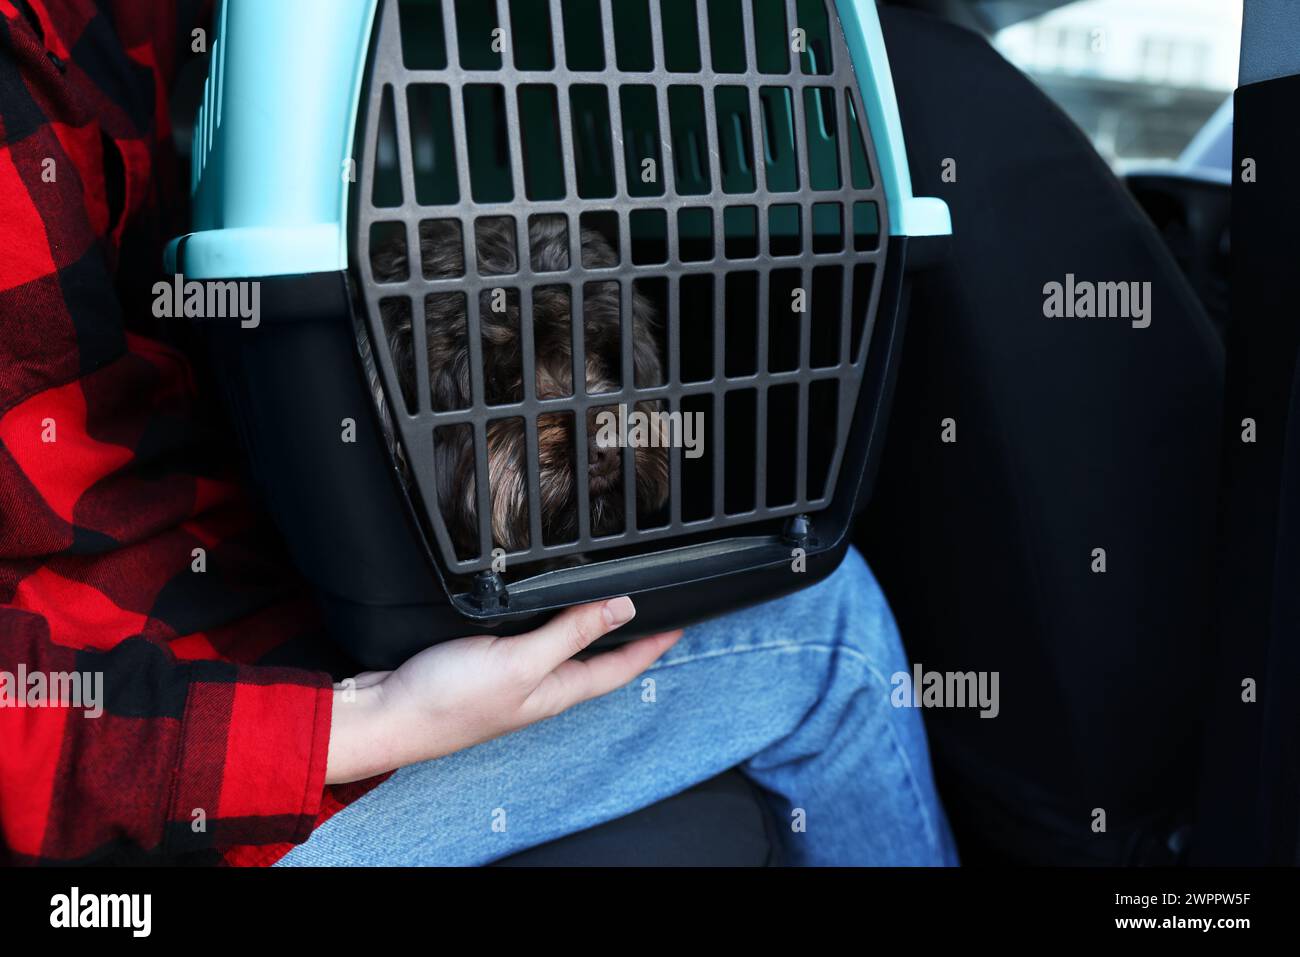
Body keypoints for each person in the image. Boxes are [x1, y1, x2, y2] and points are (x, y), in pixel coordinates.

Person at [0, 0, 955, 866]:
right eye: (506, 386)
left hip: (236, 601)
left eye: (604, 368)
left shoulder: (122, 30)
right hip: (192, 780)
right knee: (828, 627)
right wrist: (378, 721)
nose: (587, 425)